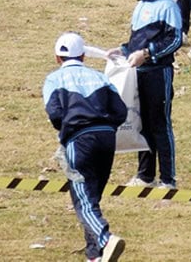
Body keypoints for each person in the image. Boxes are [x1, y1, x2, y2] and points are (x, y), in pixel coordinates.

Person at [42, 32, 128, 262]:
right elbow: (121, 111)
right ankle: (95, 256)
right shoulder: (99, 77)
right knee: (92, 198)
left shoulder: (54, 79)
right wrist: (107, 127)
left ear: (57, 58)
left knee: (83, 198)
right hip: (107, 138)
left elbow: (55, 114)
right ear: (83, 56)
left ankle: (105, 239)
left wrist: (68, 130)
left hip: (79, 140)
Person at [117, 0, 182, 189]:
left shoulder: (168, 6)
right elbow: (138, 38)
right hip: (138, 73)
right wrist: (123, 50)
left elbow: (174, 40)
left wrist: (147, 53)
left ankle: (168, 178)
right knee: (141, 123)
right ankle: (145, 175)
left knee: (160, 124)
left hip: (158, 72)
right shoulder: (141, 4)